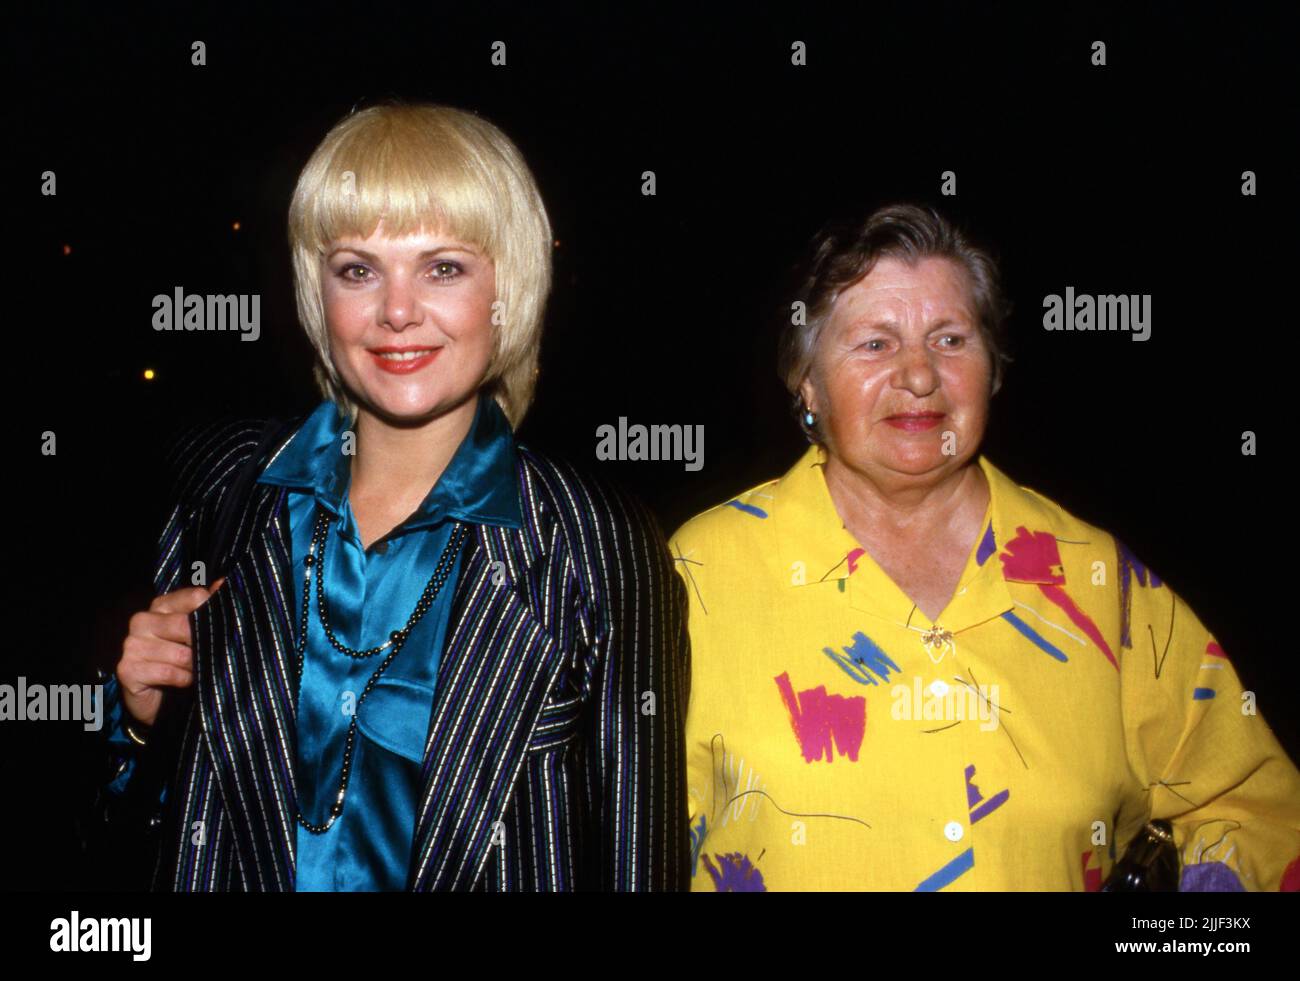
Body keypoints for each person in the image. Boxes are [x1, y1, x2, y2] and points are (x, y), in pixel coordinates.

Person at [93, 102, 690, 891]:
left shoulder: (596, 544)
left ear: (507, 286)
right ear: (319, 292)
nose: (397, 310)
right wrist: (137, 725)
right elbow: (129, 844)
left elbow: (637, 861)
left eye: (443, 266)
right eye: (357, 269)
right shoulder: (224, 489)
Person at [670, 203, 1300, 891]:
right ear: (807, 384)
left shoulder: (1096, 580)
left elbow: (1255, 806)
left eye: (950, 339)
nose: (919, 376)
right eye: (875, 343)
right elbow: (620, 837)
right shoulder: (700, 572)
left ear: (993, 370)